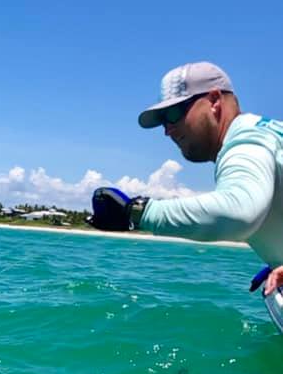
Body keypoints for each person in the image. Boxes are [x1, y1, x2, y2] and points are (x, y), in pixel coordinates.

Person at [88, 61, 283, 299]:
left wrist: (137, 213)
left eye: (174, 114)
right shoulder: (269, 132)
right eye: (163, 120)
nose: (168, 130)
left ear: (214, 101)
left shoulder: (246, 142)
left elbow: (239, 214)